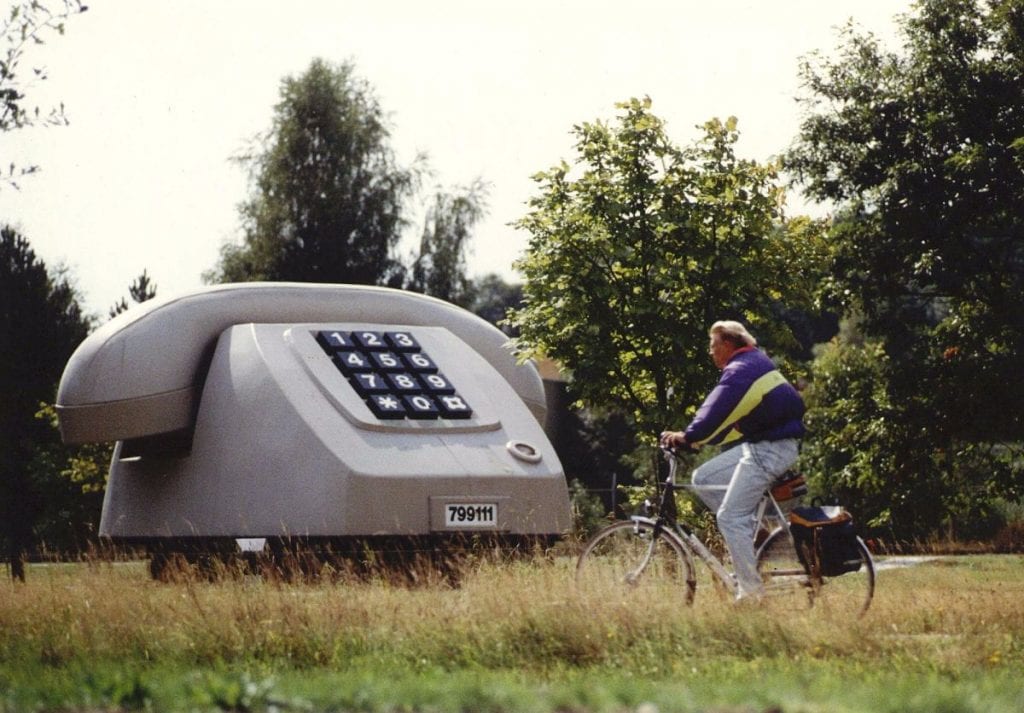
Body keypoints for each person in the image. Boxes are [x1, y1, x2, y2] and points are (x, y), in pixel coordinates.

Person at [659, 320, 805, 602]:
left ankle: (751, 593)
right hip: (765, 445)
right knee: (704, 478)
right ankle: (752, 534)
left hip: (769, 450)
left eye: (713, 346)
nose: (710, 352)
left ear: (727, 344)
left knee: (730, 516)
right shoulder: (754, 363)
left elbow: (714, 410)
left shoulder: (740, 371)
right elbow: (729, 423)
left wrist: (687, 436)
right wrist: (698, 439)